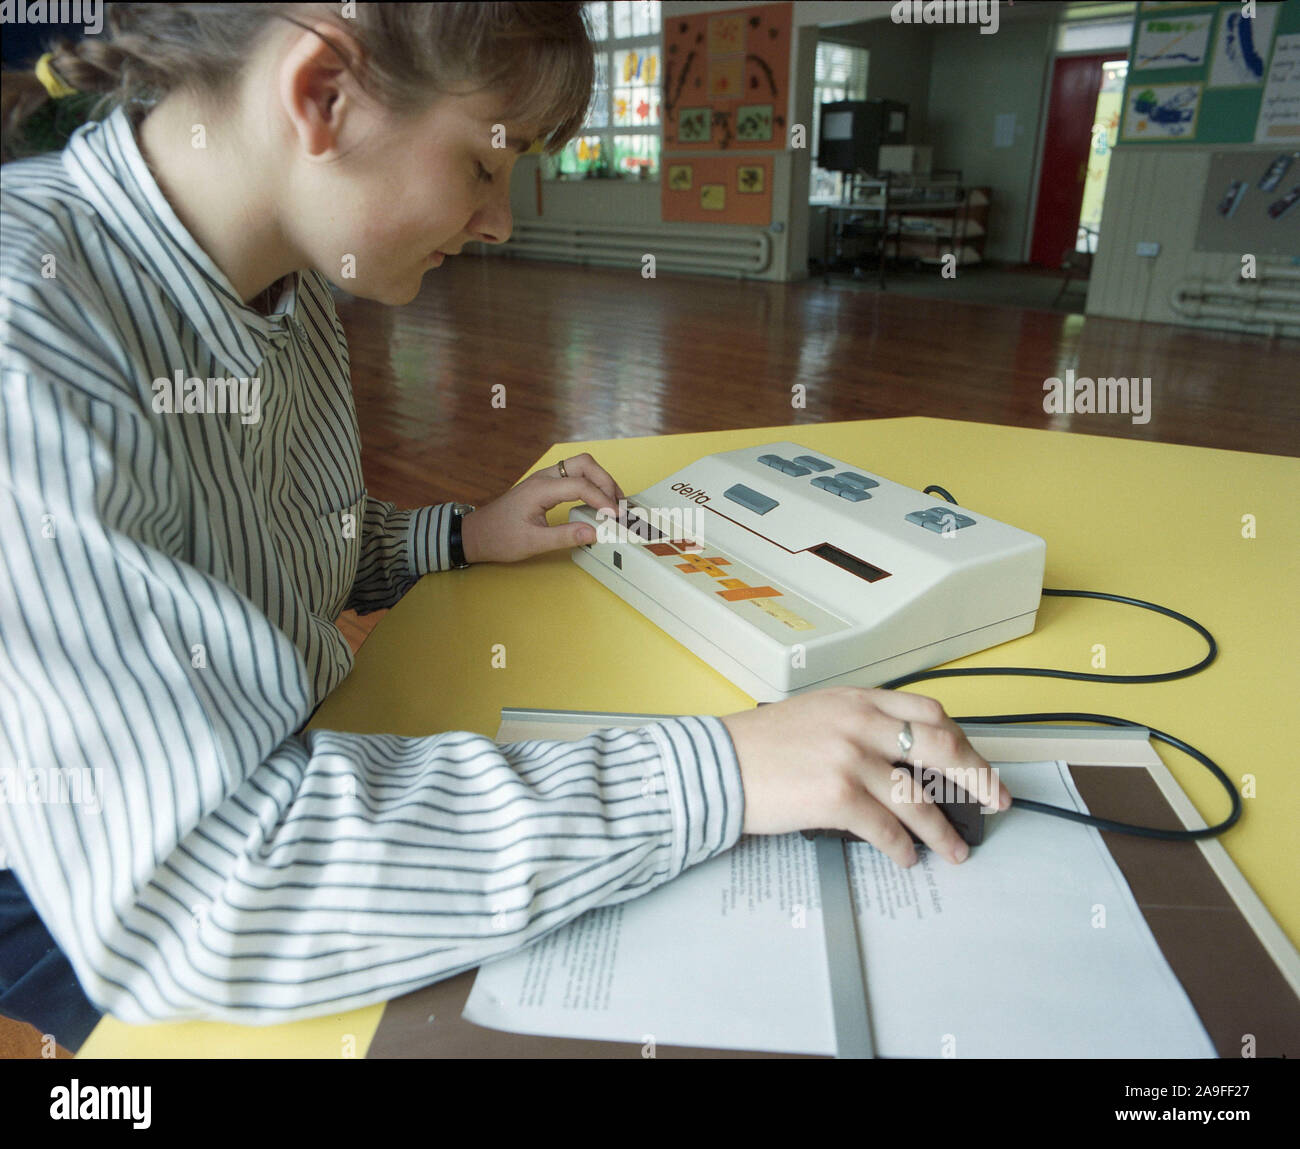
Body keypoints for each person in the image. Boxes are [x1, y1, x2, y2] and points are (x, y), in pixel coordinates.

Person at [0, 2, 1009, 1043]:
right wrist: (728, 770)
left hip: (290, 763)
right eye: (485, 165)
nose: (501, 223)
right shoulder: (25, 334)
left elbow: (270, 552)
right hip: (80, 894)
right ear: (322, 94)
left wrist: (457, 536)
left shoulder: (283, 281)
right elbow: (203, 894)